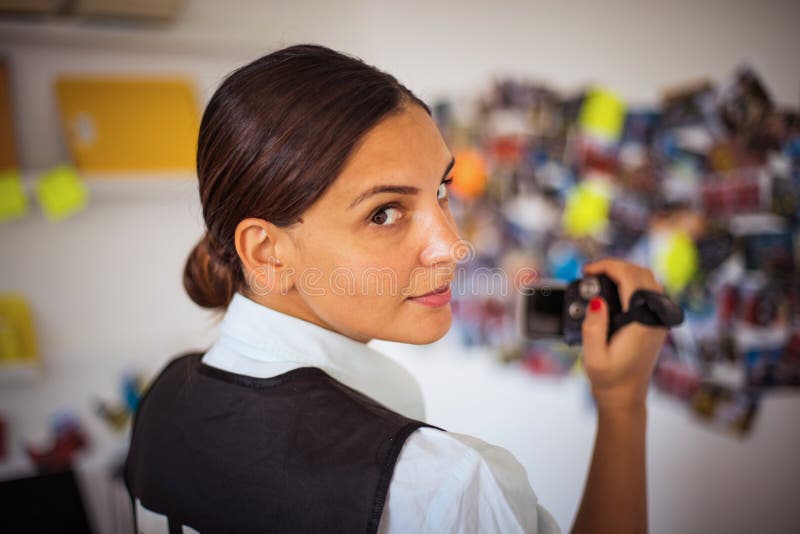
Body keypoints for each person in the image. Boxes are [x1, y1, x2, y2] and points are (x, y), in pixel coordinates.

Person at [124, 44, 667, 534]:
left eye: (441, 190)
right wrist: (623, 404)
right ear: (267, 252)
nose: (452, 246)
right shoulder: (443, 489)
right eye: (385, 212)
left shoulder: (163, 402)